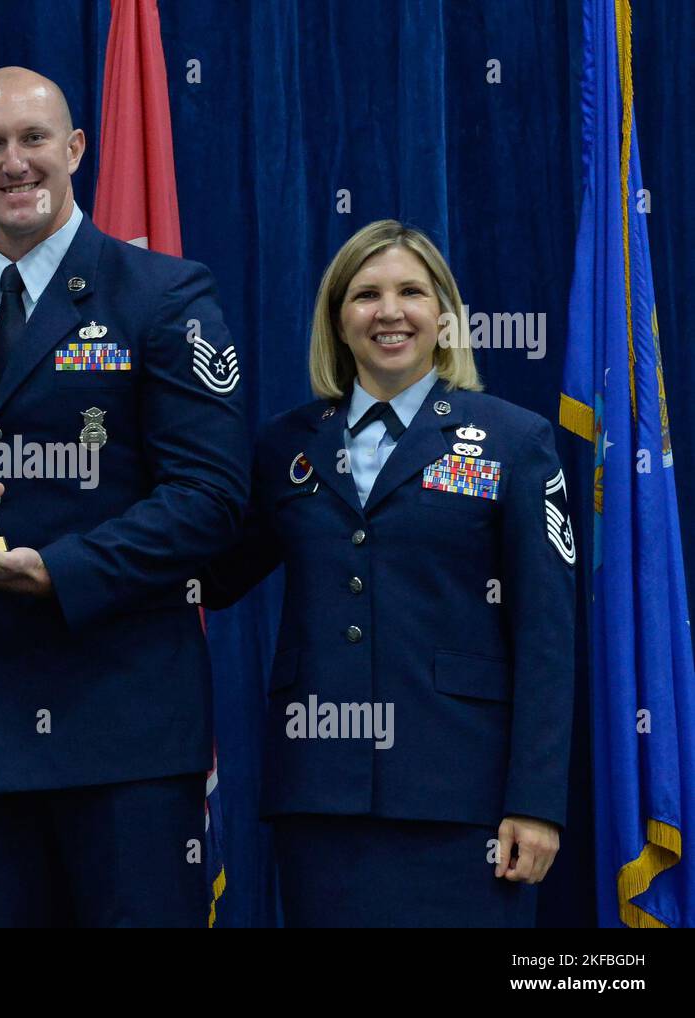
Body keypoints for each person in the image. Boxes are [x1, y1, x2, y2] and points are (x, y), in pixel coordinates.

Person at [0, 67, 249, 927]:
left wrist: (57, 571)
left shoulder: (165, 295)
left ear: (75, 148)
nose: (15, 163)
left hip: (122, 735)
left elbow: (212, 496)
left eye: (34, 139)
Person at [206, 220, 576, 927]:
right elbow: (214, 575)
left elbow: (548, 638)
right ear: (338, 320)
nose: (389, 311)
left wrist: (535, 803)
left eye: (411, 291)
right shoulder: (288, 443)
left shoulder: (513, 440)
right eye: (366, 294)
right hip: (321, 801)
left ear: (443, 315)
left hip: (462, 800)